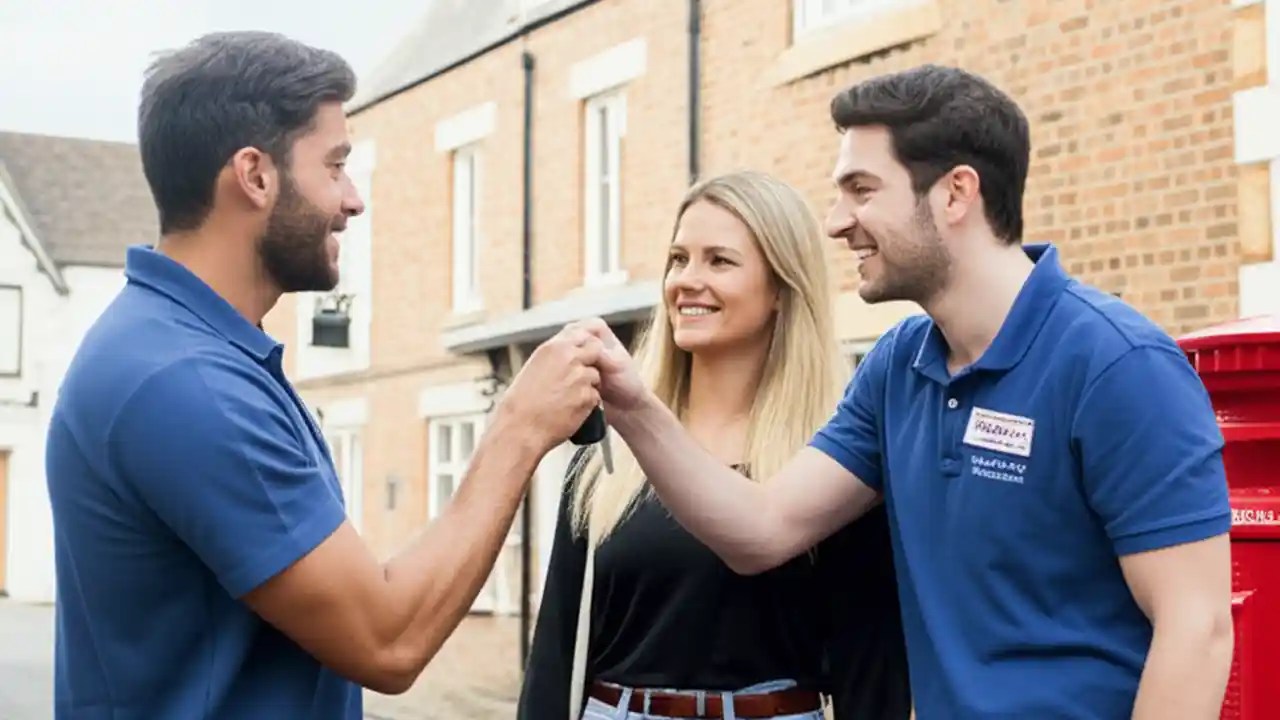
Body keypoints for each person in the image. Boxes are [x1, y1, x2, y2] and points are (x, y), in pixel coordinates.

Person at [572, 64, 1234, 719]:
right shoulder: (897, 367)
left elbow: (1197, 630)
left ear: (955, 194)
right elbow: (762, 529)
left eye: (861, 189)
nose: (836, 221)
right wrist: (631, 403)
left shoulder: (1118, 365)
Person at [44, 31, 606, 720]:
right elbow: (388, 640)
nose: (353, 199)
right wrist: (520, 428)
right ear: (255, 175)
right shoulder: (184, 383)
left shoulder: (188, 353)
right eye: (335, 165)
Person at [517, 170, 910, 720]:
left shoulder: (836, 462)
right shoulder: (607, 456)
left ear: (780, 287)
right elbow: (556, 651)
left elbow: (869, 664)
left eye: (719, 261)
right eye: (679, 259)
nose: (686, 281)